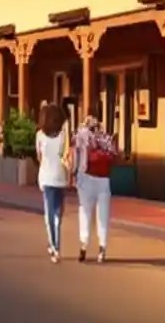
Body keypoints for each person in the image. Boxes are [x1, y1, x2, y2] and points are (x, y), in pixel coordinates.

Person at [74, 114, 114, 263]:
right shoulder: (106, 137)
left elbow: (75, 156)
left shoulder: (81, 135)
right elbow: (115, 155)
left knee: (85, 212)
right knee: (102, 216)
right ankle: (102, 249)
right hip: (104, 180)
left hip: (86, 177)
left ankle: (83, 246)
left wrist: (74, 174)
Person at [36, 103, 70, 264]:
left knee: (49, 212)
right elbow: (66, 153)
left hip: (46, 176)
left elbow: (39, 156)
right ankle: (55, 243)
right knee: (58, 212)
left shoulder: (40, 135)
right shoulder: (63, 135)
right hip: (61, 176)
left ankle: (54, 246)